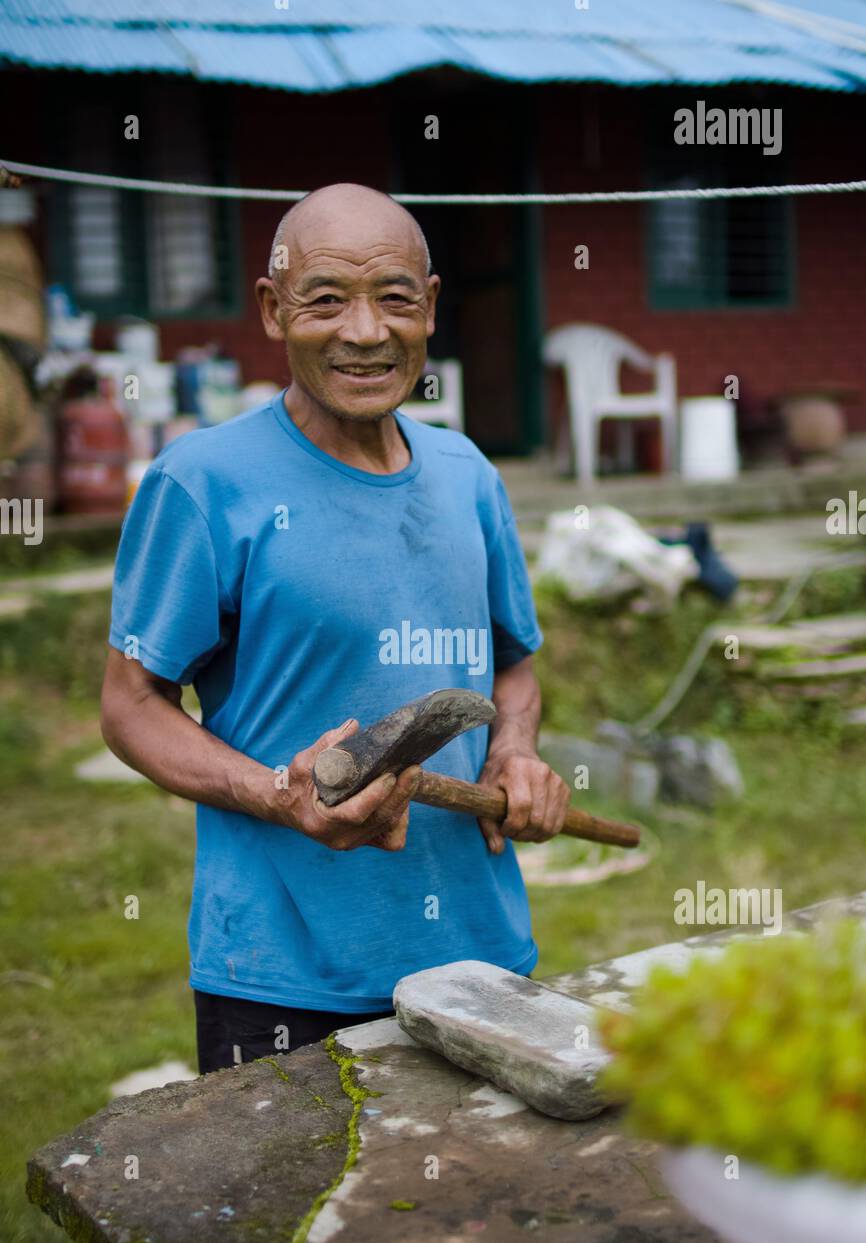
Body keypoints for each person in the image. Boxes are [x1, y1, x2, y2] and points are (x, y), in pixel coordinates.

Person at [100, 182, 570, 1074]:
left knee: (481, 1211)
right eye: (325, 300)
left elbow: (512, 665)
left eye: (394, 297)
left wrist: (514, 750)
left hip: (480, 951)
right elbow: (130, 706)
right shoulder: (202, 484)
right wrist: (280, 791)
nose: (364, 331)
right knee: (293, 1215)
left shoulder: (469, 475)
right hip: (285, 981)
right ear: (273, 313)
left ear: (429, 308)